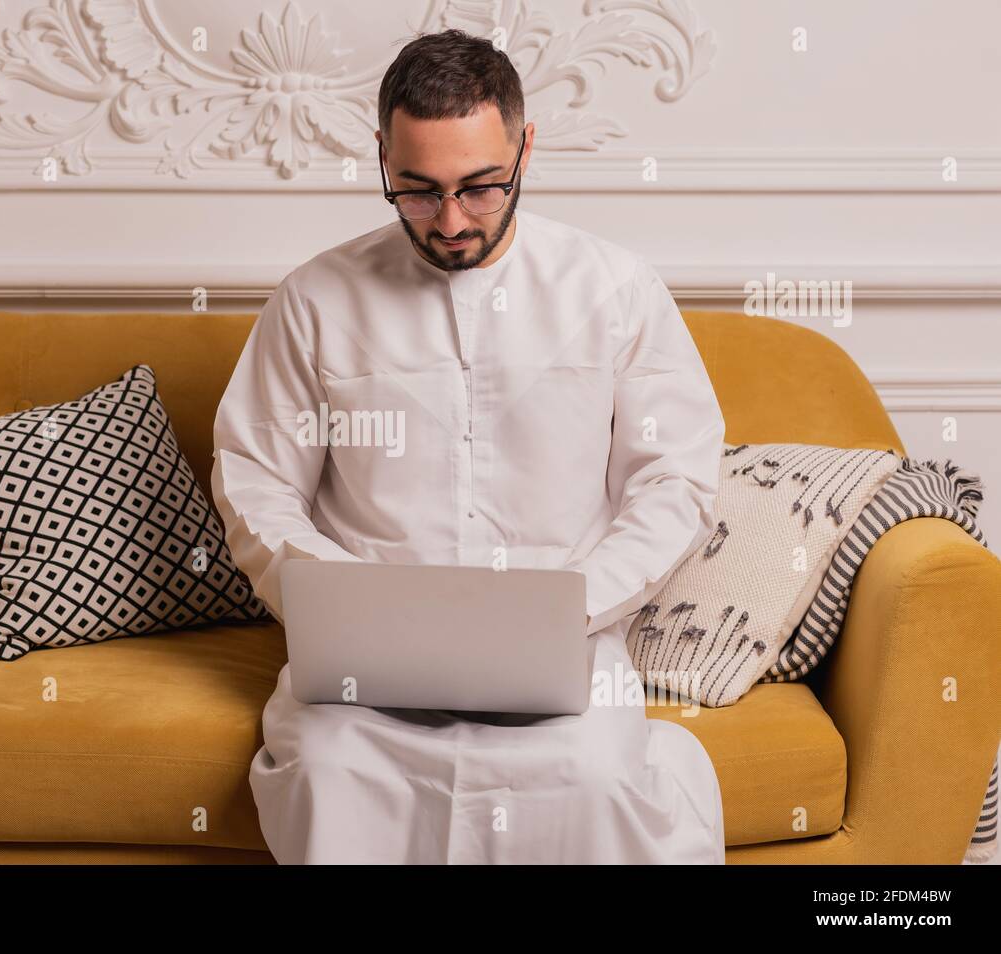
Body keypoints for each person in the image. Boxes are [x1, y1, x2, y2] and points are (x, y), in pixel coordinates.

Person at [210, 29, 727, 864]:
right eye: (416, 191)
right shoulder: (314, 299)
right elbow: (255, 480)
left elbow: (676, 478)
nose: (451, 222)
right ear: (381, 156)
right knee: (328, 771)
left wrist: (572, 604)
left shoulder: (617, 289)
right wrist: (338, 596)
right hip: (365, 667)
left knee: (595, 780)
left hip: (567, 644)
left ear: (526, 147)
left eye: (482, 188)